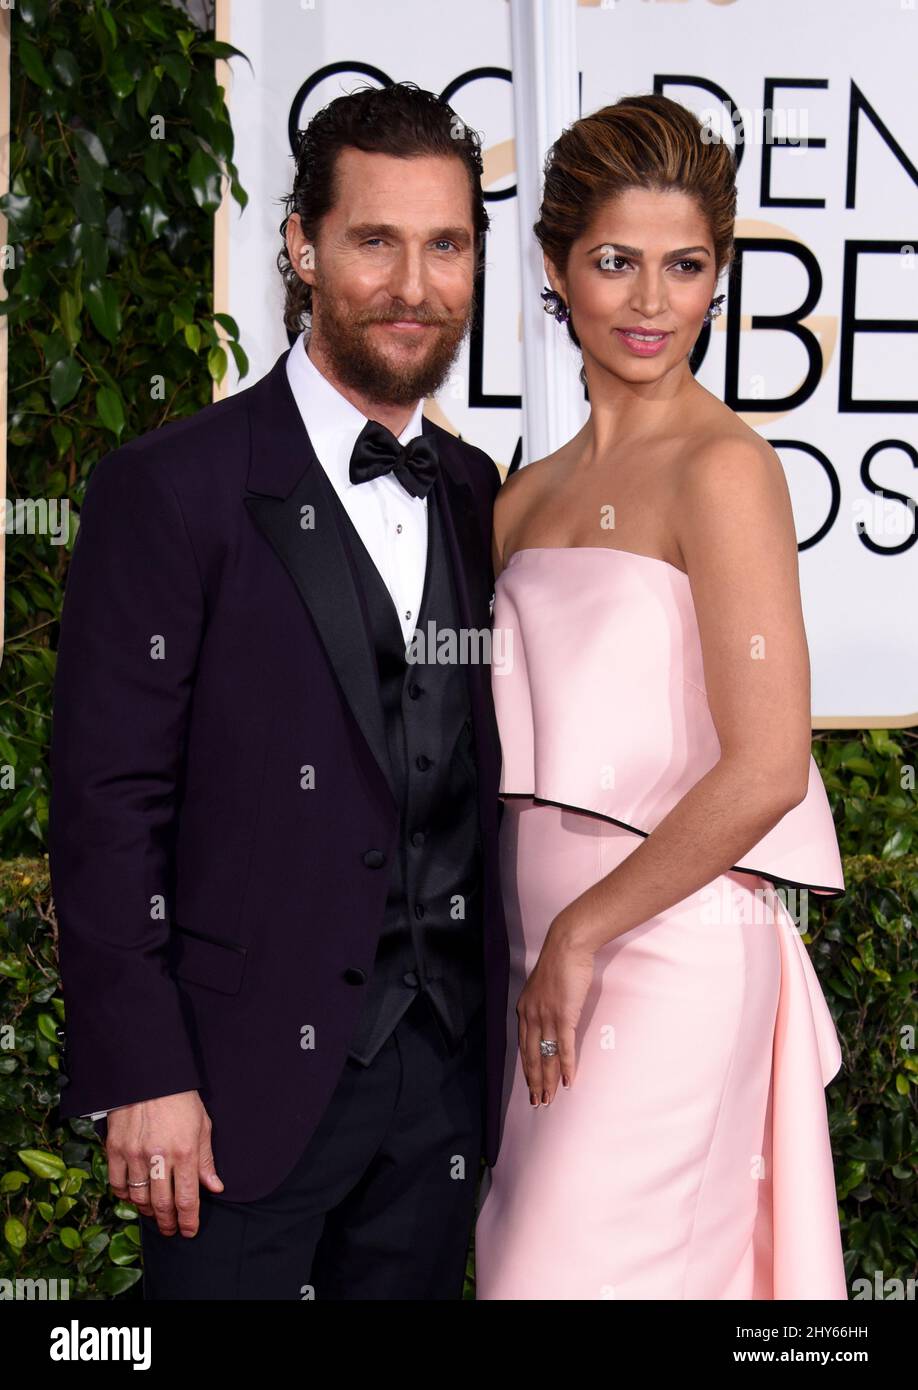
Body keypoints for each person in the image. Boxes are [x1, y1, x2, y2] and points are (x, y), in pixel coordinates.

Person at [50, 81, 510, 1300]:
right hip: (235, 1089)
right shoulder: (170, 487)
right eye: (375, 240)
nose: (414, 284)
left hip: (442, 1086)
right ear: (301, 247)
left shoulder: (474, 491)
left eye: (446, 245)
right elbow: (106, 801)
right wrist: (143, 1070)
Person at [474, 93, 848, 1300]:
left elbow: (765, 767)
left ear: (718, 275)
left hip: (666, 952)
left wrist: (585, 930)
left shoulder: (725, 468)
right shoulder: (522, 498)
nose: (650, 303)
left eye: (685, 267)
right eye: (616, 262)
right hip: (540, 959)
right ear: (554, 266)